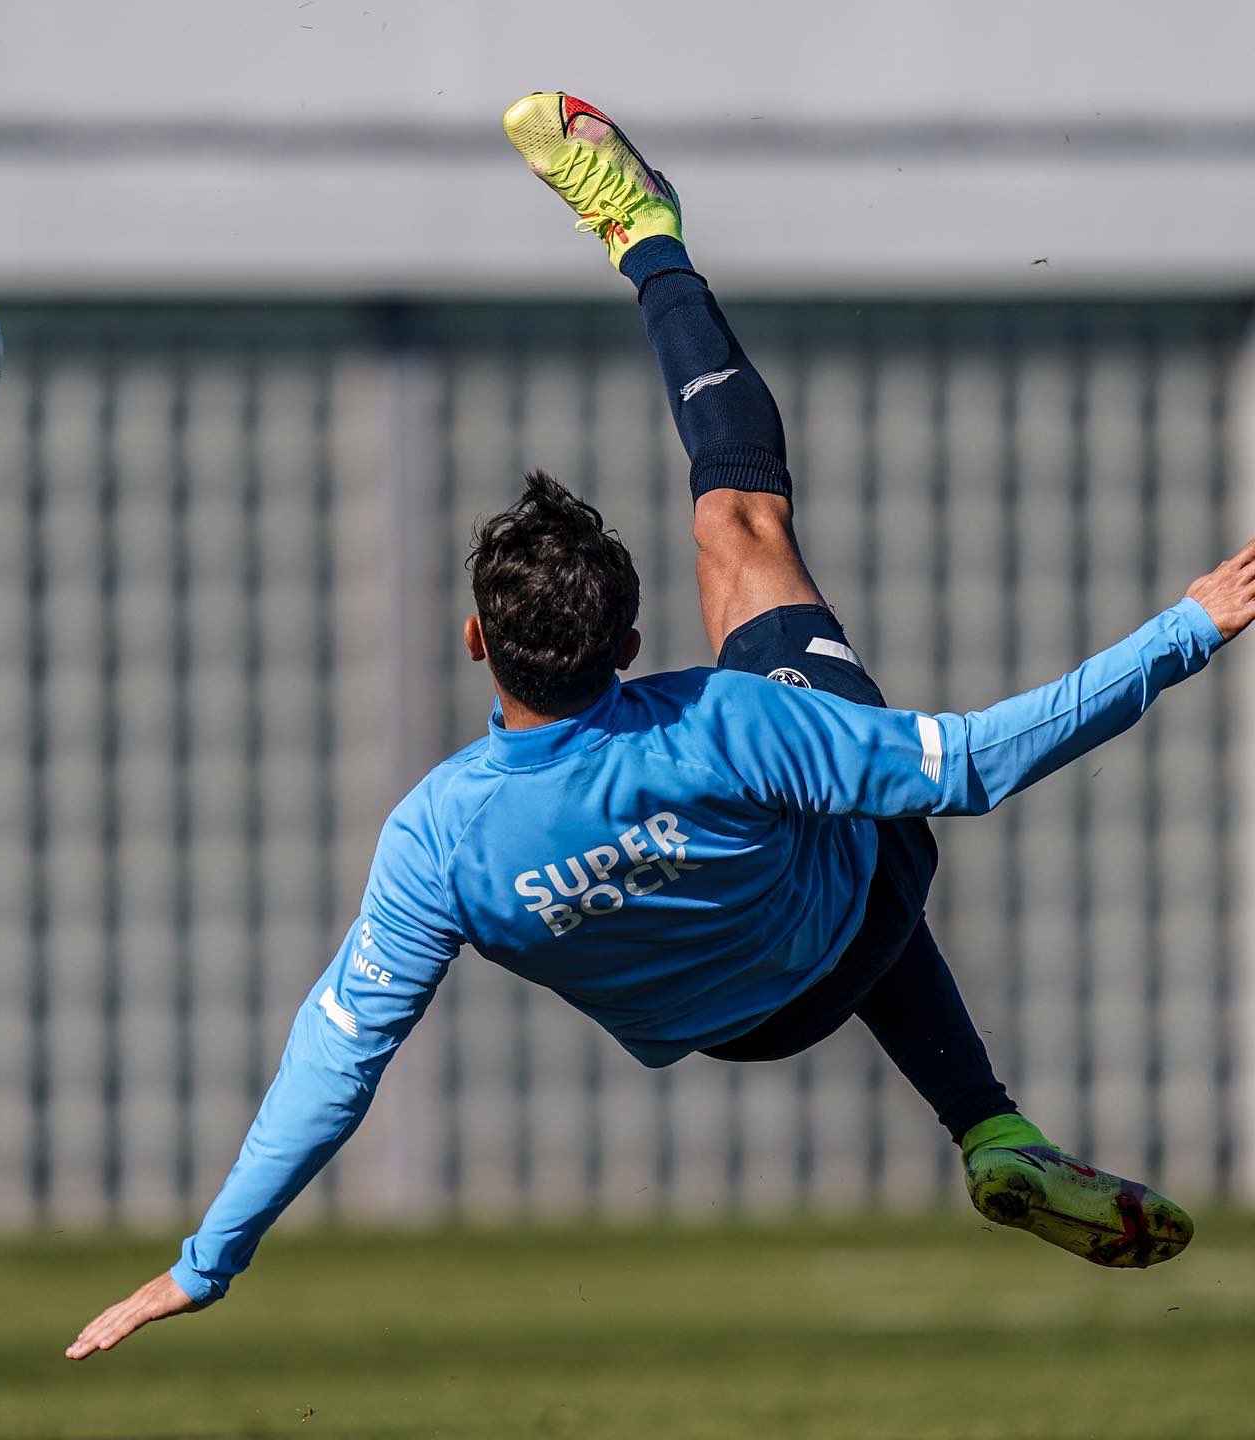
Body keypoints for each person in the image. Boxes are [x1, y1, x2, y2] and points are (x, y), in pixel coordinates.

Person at [67, 93, 1255, 1360]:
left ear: (474, 641)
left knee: (813, 833)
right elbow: (972, 766)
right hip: (861, 902)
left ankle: (992, 1128)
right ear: (630, 649)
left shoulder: (436, 840)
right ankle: (648, 238)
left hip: (738, 1030)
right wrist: (1187, 627)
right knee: (740, 530)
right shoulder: (725, 724)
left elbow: (335, 1058)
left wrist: (205, 1262)